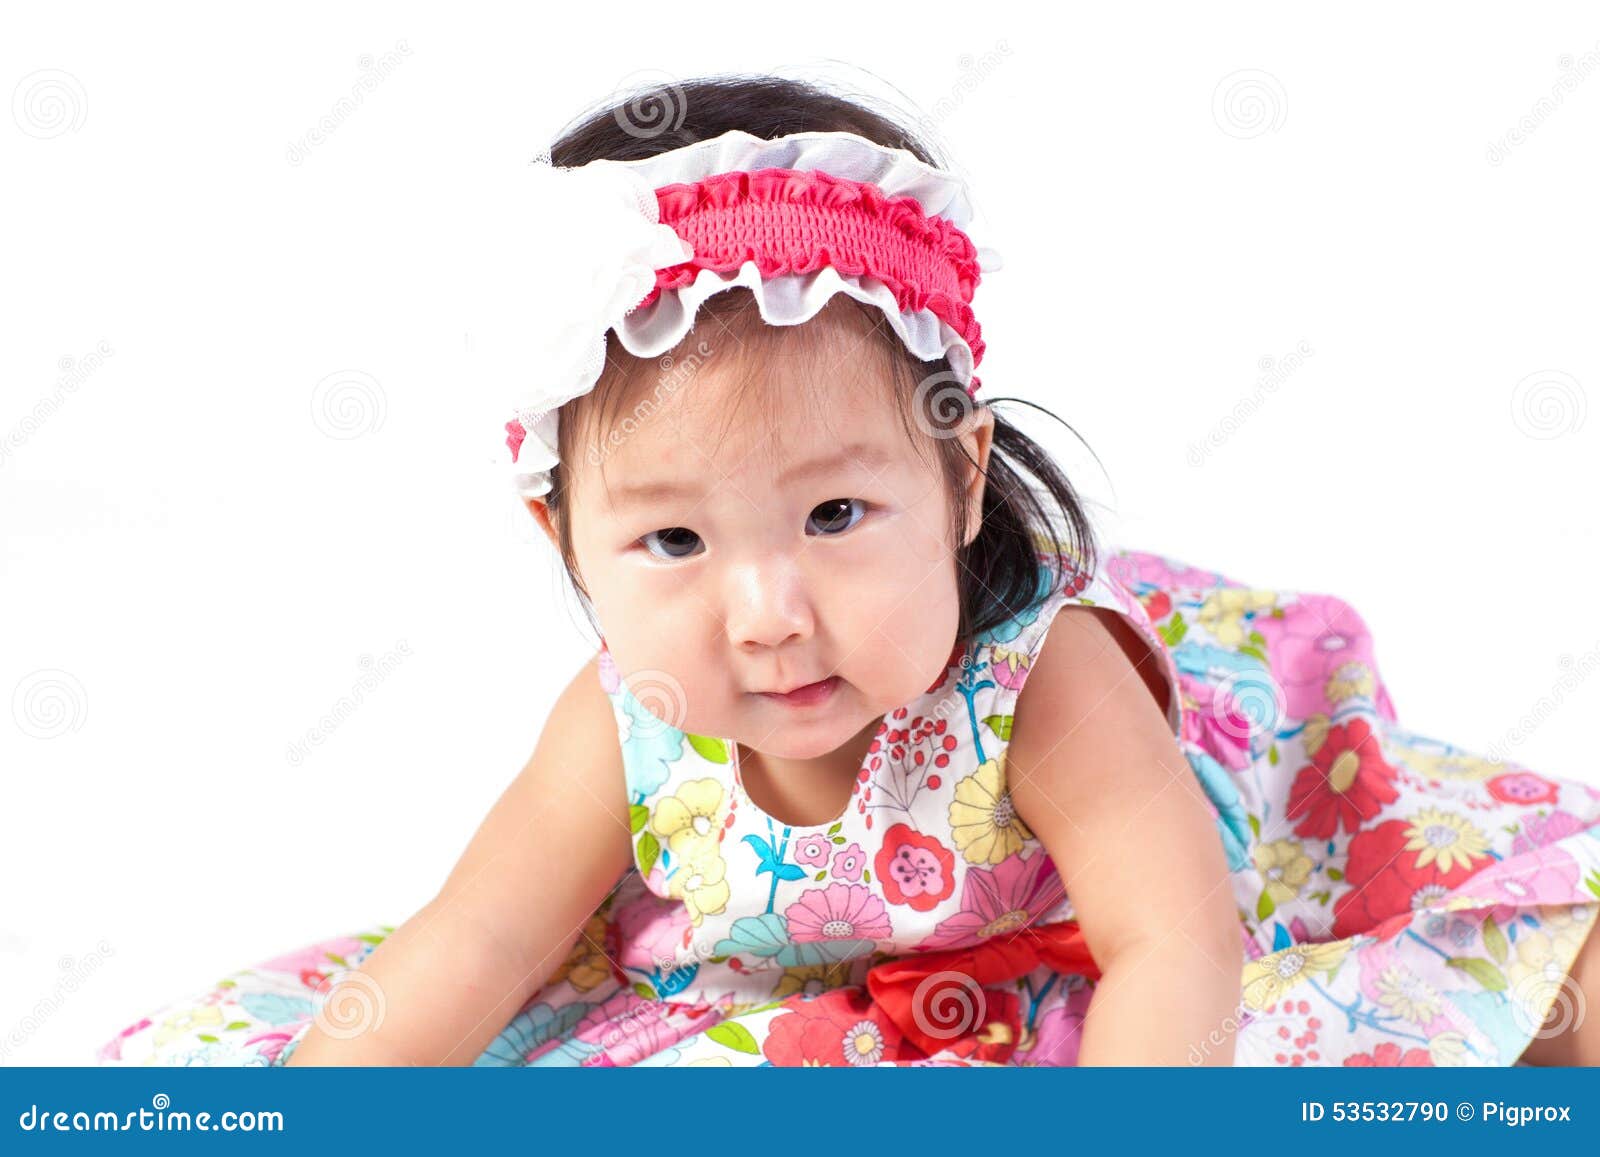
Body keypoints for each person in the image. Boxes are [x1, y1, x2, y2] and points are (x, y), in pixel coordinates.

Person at [101, 74, 1600, 1068]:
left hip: (1198, 897)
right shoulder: (624, 715)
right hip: (862, 982)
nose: (767, 615)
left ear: (954, 475)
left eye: (835, 517)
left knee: (1395, 1022)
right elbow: (479, 937)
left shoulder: (1044, 683)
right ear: (562, 538)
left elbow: (1172, 939)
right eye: (674, 541)